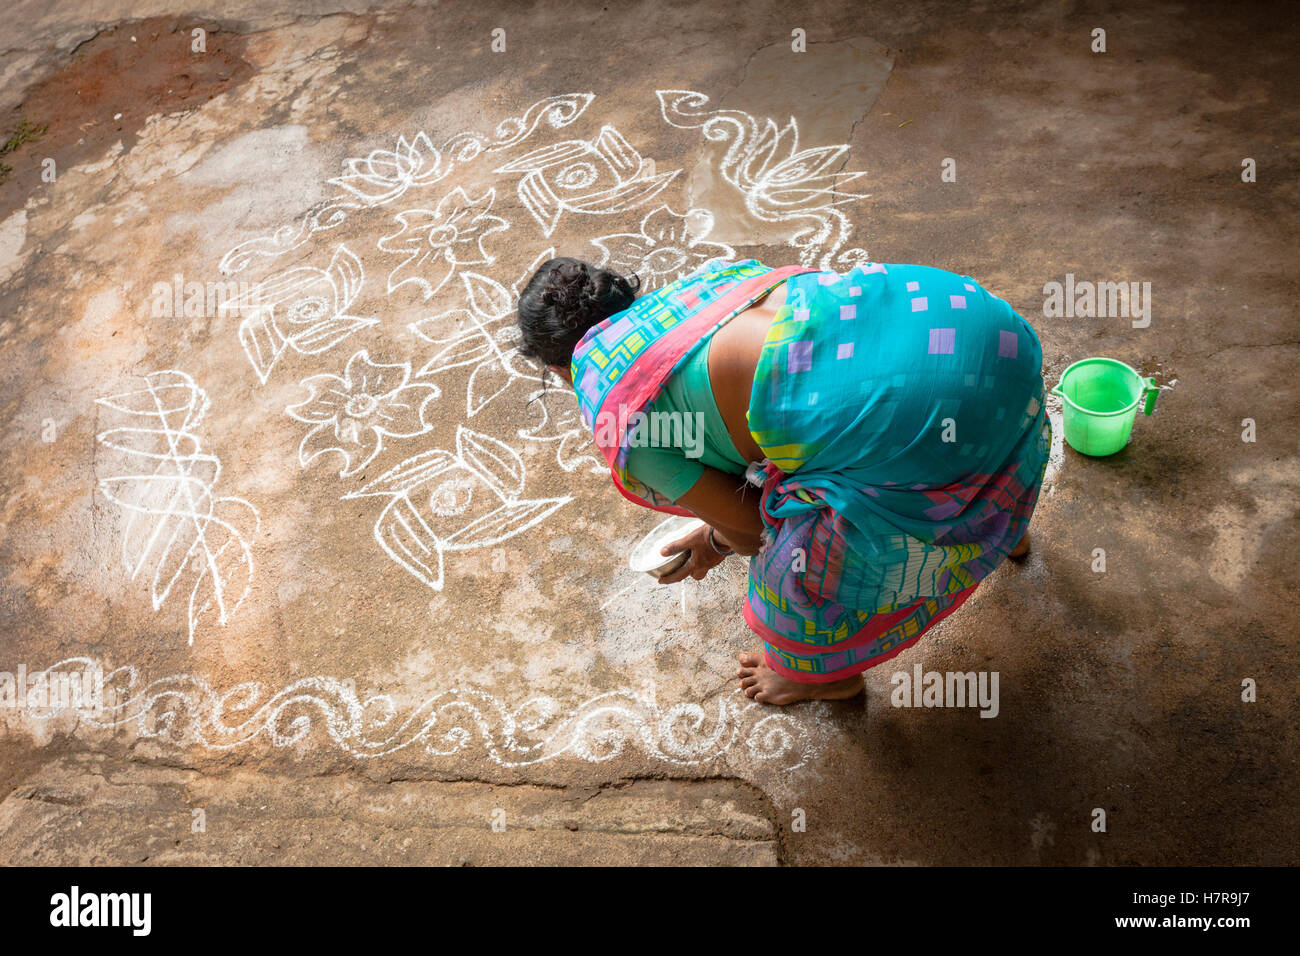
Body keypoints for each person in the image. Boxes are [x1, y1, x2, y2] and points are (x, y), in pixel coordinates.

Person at [516, 256, 1050, 705]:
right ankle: (1007, 530)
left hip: (925, 418)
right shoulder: (711, 285)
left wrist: (716, 539)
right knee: (964, 431)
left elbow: (752, 529)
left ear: (564, 371)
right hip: (982, 330)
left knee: (787, 569)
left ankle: (824, 678)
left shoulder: (626, 414)